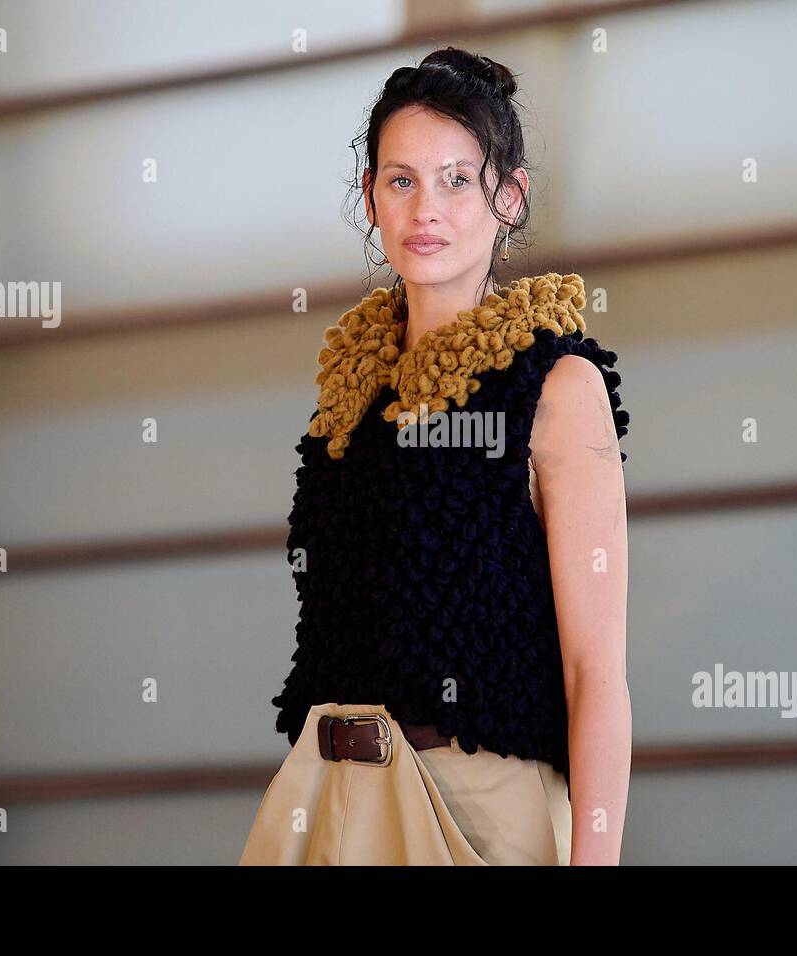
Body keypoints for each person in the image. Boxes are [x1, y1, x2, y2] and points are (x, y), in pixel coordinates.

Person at [238, 46, 631, 866]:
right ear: (371, 198)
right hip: (324, 797)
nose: (427, 208)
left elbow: (596, 672)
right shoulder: (349, 397)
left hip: (478, 811)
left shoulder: (555, 385)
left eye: (458, 179)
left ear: (509, 198)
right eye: (401, 179)